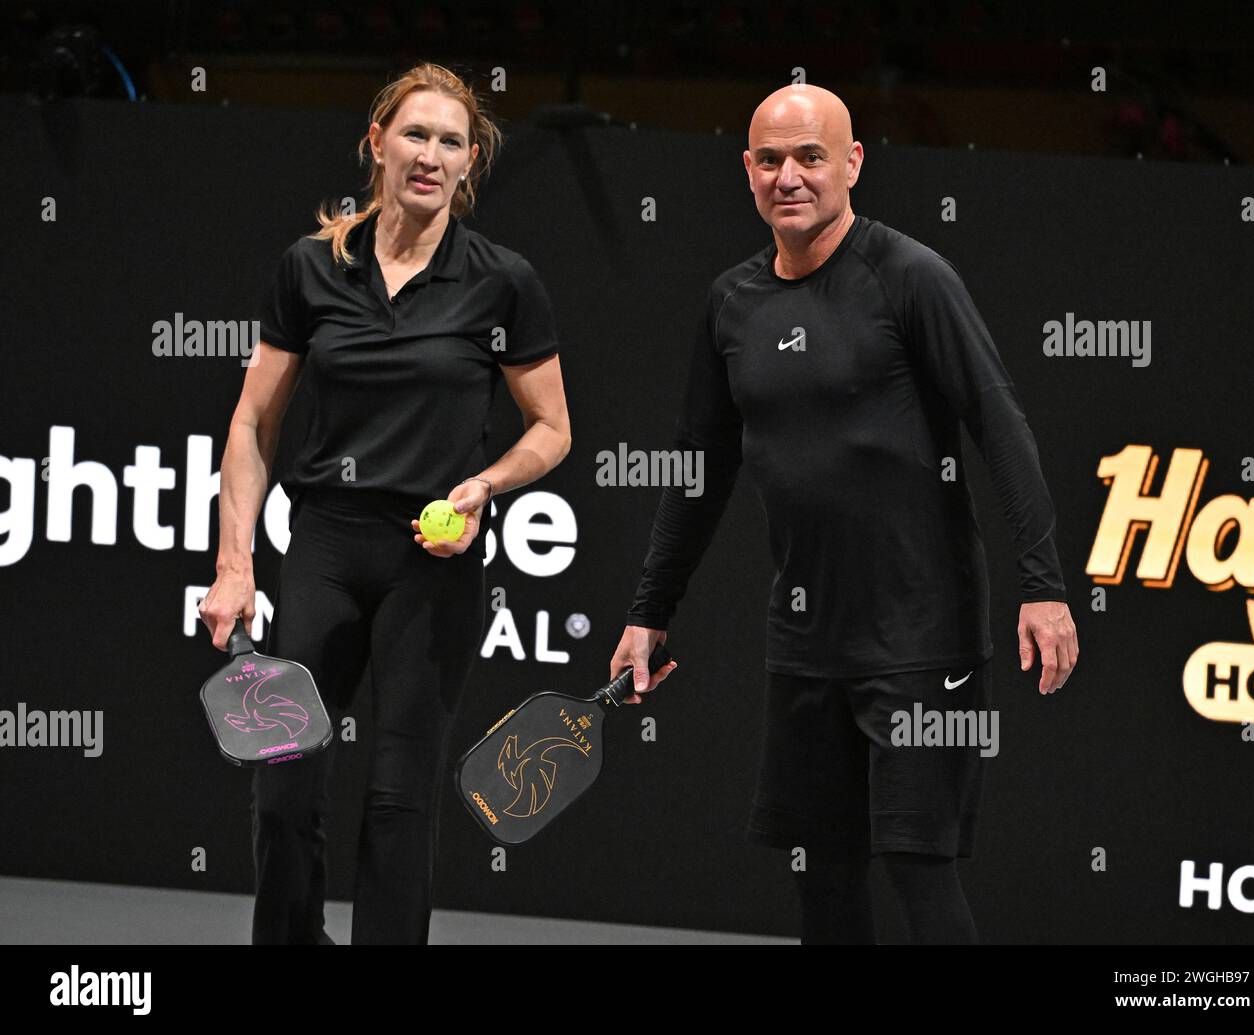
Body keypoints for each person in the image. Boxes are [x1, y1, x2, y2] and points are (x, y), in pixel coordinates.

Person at [608, 83, 1079, 944]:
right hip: (807, 642)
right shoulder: (731, 302)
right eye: (770, 160)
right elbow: (698, 467)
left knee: (918, 867)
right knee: (821, 872)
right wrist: (649, 610)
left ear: (852, 163)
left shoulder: (910, 277)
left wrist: (1043, 586)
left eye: (810, 156)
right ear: (747, 170)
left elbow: (1000, 426)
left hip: (923, 637)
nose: (789, 177)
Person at [198, 63, 571, 945]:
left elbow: (552, 428)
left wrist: (483, 486)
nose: (431, 155)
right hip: (325, 547)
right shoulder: (311, 267)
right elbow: (252, 422)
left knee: (401, 800)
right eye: (415, 134)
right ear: (377, 142)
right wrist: (234, 562)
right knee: (283, 788)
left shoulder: (503, 281)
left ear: (471, 160)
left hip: (432, 567)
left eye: (451, 142)